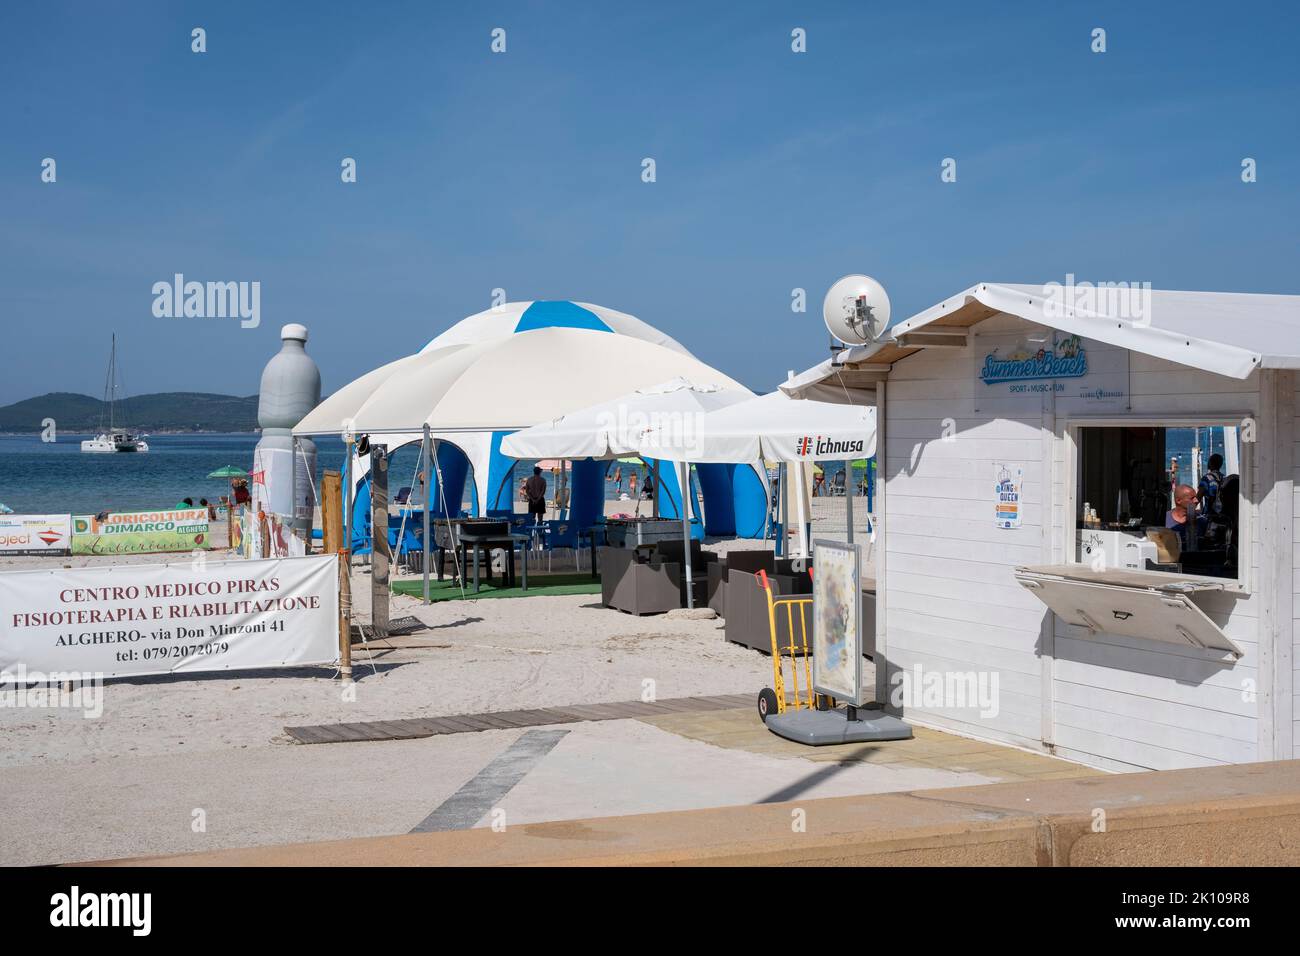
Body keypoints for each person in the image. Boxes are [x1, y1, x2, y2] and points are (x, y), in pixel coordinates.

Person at [1166, 484, 1205, 549]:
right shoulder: (1164, 520)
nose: (1196, 500)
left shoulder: (1202, 521)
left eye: (1195, 497)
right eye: (1192, 498)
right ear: (1178, 501)